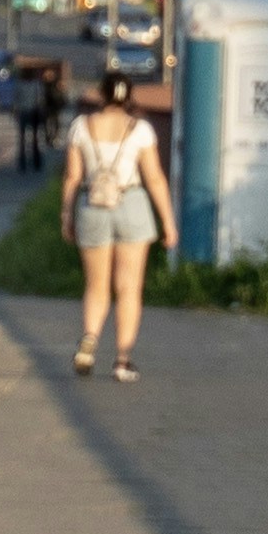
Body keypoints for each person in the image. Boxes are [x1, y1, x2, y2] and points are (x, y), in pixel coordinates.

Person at [59, 68, 175, 382]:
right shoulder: (141, 130)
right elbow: (154, 179)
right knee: (128, 288)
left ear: (103, 93)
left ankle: (90, 339)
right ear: (129, 94)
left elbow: (72, 177)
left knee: (97, 286)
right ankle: (123, 360)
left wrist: (67, 215)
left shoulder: (81, 127)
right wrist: (168, 222)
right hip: (132, 203)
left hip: (91, 206)